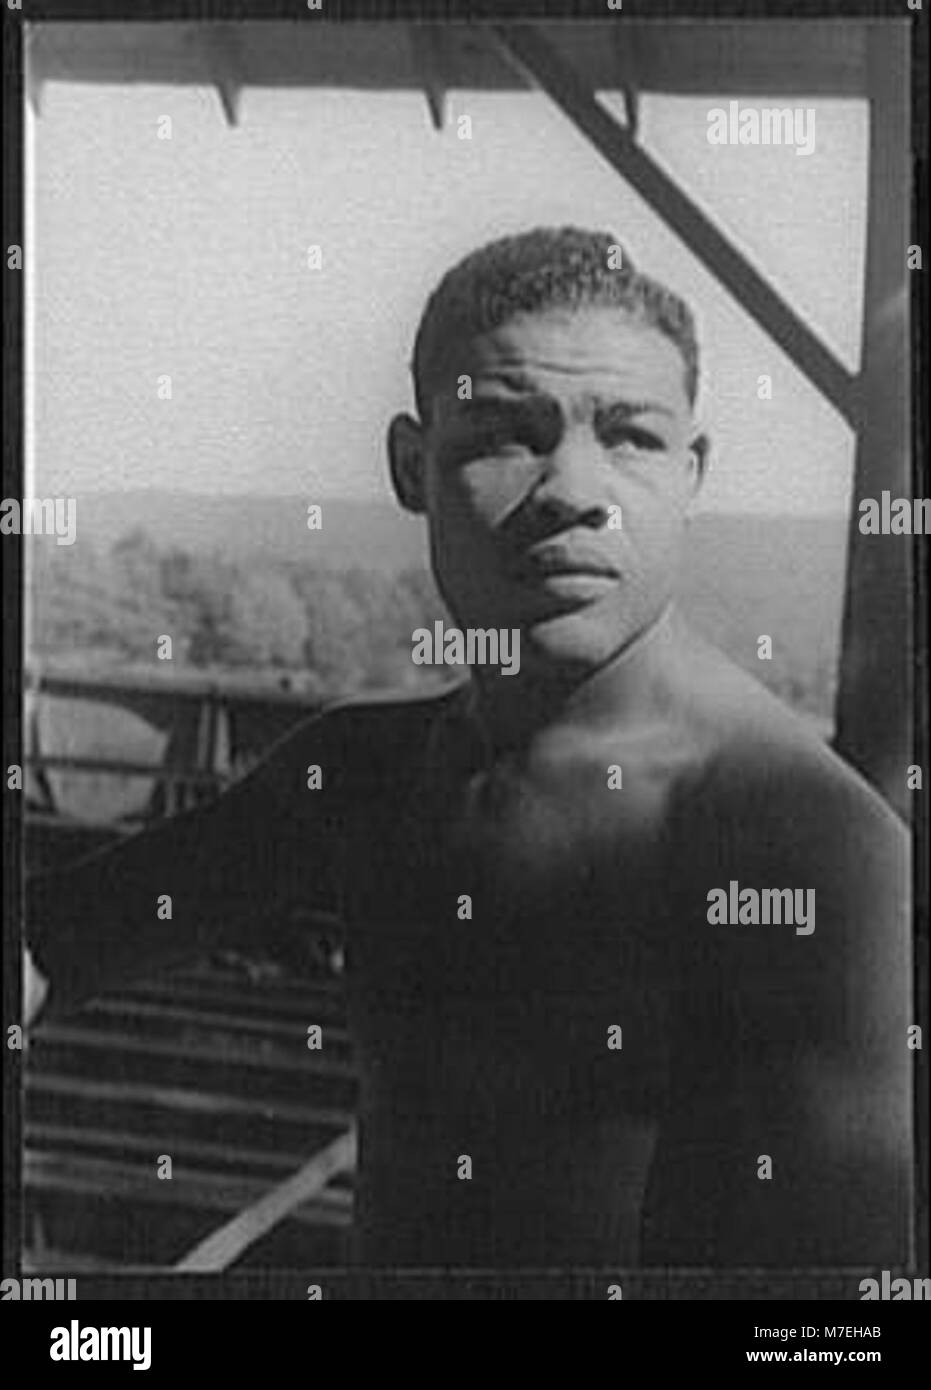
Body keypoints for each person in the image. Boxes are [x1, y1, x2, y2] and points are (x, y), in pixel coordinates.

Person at [25, 227, 912, 1267]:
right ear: (411, 464)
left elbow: (844, 1318)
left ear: (692, 472)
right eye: (507, 432)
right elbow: (60, 938)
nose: (574, 487)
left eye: (630, 434)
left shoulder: (801, 845)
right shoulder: (364, 772)